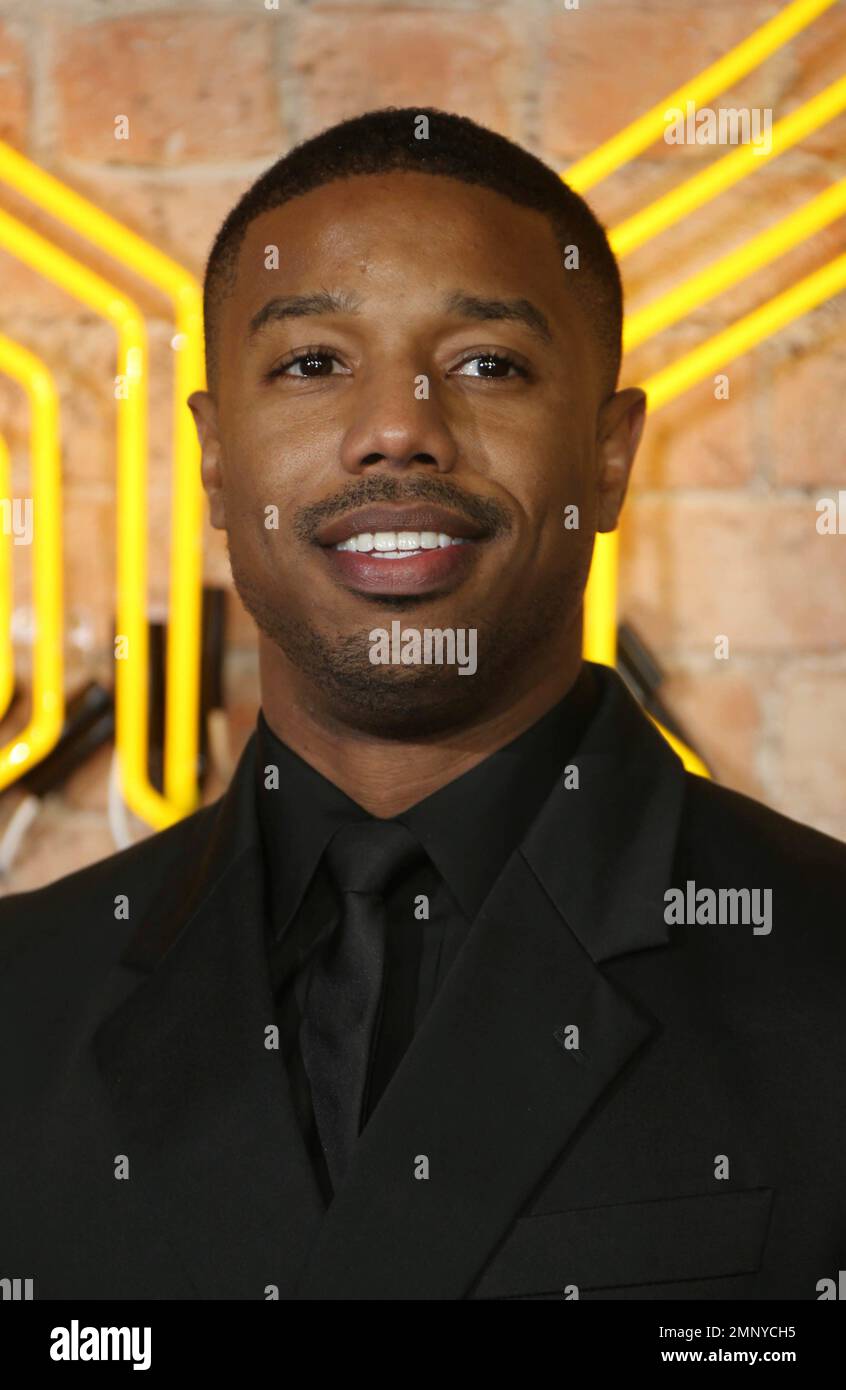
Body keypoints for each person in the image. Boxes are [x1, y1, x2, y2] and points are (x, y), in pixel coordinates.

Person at [1, 107, 844, 1302]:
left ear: (609, 457)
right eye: (312, 363)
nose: (398, 427)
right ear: (215, 465)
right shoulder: (17, 999)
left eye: (487, 366)